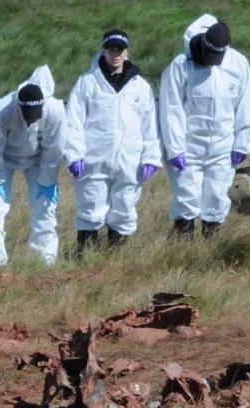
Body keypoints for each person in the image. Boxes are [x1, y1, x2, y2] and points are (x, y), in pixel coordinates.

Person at [159, 16, 250, 239]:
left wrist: (243, 142)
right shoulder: (181, 65)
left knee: (217, 197)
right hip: (188, 146)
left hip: (223, 147)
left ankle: (210, 247)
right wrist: (175, 148)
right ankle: (183, 249)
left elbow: (246, 104)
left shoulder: (238, 64)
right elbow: (170, 108)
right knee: (186, 197)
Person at [64, 30, 162, 253]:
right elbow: (74, 122)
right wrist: (75, 154)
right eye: (111, 49)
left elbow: (149, 126)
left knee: (124, 209)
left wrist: (151, 157)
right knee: (91, 209)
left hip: (129, 161)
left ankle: (115, 260)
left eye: (119, 49)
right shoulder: (87, 83)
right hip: (94, 160)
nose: (115, 54)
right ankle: (86, 258)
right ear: (103, 51)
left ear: (126, 52)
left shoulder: (140, 87)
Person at [0, 66, 67, 269]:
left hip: (37, 158)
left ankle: (44, 259)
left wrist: (48, 181)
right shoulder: (3, 109)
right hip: (5, 156)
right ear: (19, 105)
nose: (31, 119)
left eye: (35, 114)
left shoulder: (55, 111)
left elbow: (54, 148)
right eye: (27, 114)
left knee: (45, 205)